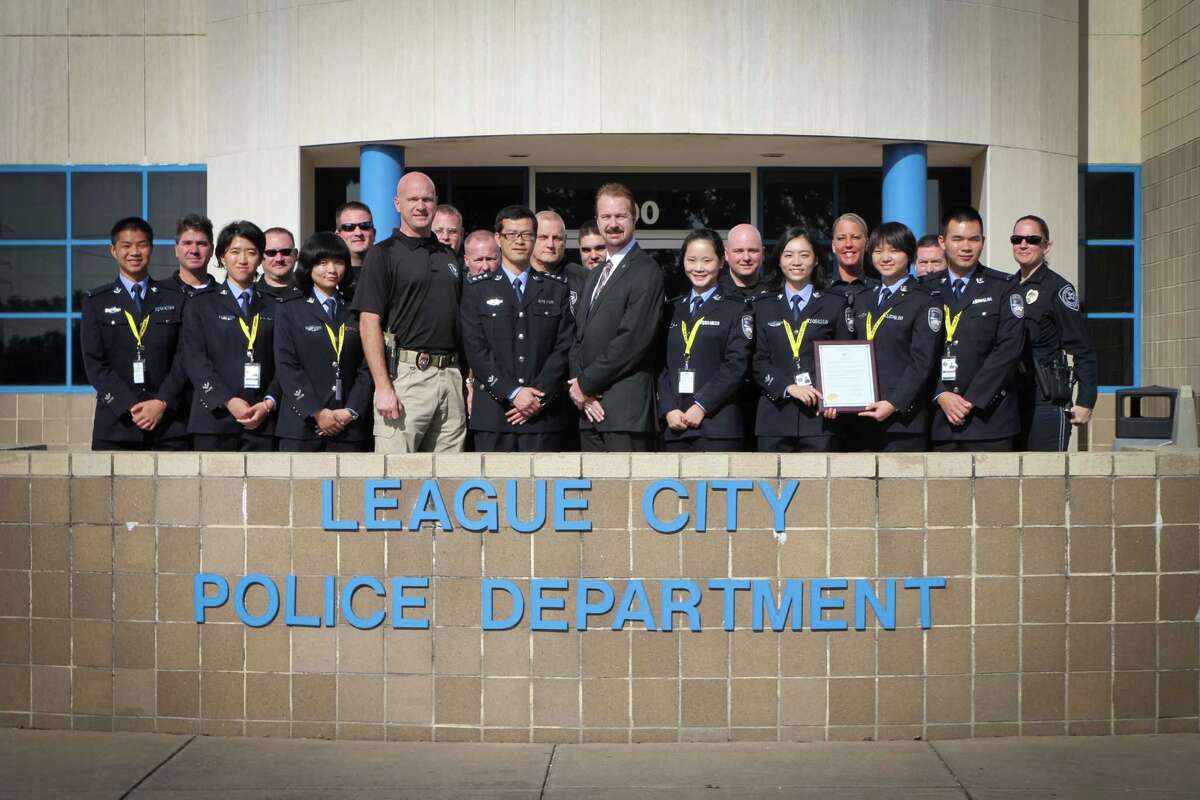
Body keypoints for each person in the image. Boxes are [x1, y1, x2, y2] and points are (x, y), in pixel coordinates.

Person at [352, 171, 466, 453]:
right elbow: (369, 323)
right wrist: (383, 387)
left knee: (450, 475)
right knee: (397, 474)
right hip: (405, 378)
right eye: (412, 199)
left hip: (450, 376)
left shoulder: (448, 256)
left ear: (436, 203)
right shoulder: (383, 254)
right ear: (397, 204)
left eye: (427, 199)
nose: (420, 206)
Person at [460, 205, 576, 452]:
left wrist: (537, 396)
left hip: (543, 416)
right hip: (494, 415)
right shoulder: (477, 289)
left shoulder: (556, 288)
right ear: (498, 238)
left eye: (526, 234)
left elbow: (564, 347)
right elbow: (475, 349)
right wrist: (512, 392)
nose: (519, 241)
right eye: (512, 234)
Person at [569, 182, 665, 451]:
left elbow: (632, 340)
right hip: (589, 411)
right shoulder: (595, 275)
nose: (613, 224)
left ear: (634, 218)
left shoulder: (647, 271)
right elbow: (579, 336)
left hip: (625, 413)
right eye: (606, 217)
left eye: (620, 216)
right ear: (597, 220)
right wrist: (579, 389)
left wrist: (586, 383)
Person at [80, 217, 190, 451]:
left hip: (169, 425)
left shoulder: (175, 297)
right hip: (117, 425)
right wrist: (131, 405)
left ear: (151, 248)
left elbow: (184, 358)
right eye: (126, 246)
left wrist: (161, 402)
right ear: (113, 250)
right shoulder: (96, 301)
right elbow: (95, 364)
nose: (134, 252)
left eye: (142, 245)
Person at [928, 207, 1025, 452]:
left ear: (983, 241)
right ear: (942, 242)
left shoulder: (1004, 287)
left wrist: (971, 400)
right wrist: (941, 394)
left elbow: (1009, 349)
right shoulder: (925, 288)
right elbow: (916, 353)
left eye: (974, 239)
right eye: (958, 239)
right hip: (939, 421)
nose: (966, 247)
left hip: (991, 421)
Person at [181, 220, 280, 451]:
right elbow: (194, 359)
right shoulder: (200, 304)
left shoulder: (276, 306)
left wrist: (268, 404)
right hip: (213, 419)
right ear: (222, 257)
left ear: (260, 258)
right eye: (235, 252)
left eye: (251, 252)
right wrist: (227, 400)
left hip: (262, 421)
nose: (243, 259)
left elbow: (284, 362)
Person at [752, 227, 849, 452]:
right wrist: (788, 387)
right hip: (774, 418)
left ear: (816, 260)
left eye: (804, 255)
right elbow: (758, 361)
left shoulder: (835, 304)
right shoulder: (762, 306)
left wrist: (837, 399)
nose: (796, 262)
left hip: (820, 418)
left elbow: (844, 358)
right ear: (779, 260)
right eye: (788, 255)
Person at [1005, 215, 1098, 451]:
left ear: (1046, 246)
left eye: (1032, 239)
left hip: (1046, 398)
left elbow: (1082, 349)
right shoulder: (1006, 287)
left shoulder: (1058, 289)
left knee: (1044, 471)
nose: (1023, 244)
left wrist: (1086, 400)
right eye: (1017, 239)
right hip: (1011, 400)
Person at [273, 232, 372, 452]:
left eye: (338, 262)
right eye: (322, 262)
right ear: (308, 266)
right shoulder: (289, 308)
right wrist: (316, 412)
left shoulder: (356, 308)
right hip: (301, 427)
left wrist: (351, 410)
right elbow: (286, 365)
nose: (332, 270)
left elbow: (367, 365)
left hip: (348, 426)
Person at [657, 229, 753, 452]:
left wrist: (701, 405)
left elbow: (736, 365)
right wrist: (668, 408)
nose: (698, 268)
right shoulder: (671, 309)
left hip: (718, 427)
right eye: (691, 260)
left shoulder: (737, 308)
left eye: (707, 260)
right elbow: (660, 364)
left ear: (721, 262)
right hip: (676, 426)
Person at [850, 222, 940, 451]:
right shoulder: (862, 299)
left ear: (909, 254)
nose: (885, 258)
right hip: (862, 414)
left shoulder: (924, 299)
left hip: (904, 421)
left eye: (894, 250)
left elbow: (922, 361)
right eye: (878, 251)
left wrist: (894, 403)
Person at [532, 210, 589, 310]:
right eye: (543, 237)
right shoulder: (517, 277)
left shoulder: (584, 279)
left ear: (565, 240)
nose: (550, 245)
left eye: (557, 238)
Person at [334, 200, 376, 298]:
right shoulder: (328, 274)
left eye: (364, 226)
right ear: (338, 235)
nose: (358, 233)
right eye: (349, 227)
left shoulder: (389, 270)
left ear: (374, 233)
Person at [718, 222, 768, 299]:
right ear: (727, 255)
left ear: (763, 253)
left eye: (752, 251)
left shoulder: (774, 295)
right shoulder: (713, 294)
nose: (746, 258)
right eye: (739, 251)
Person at [171, 214, 215, 295]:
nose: (194, 251)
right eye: (187, 243)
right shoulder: (157, 295)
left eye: (201, 244)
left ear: (211, 250)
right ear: (176, 249)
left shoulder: (226, 298)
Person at [258, 226, 302, 301]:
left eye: (285, 252)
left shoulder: (313, 293)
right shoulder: (249, 297)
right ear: (260, 256)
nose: (279, 259)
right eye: (271, 253)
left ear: (295, 254)